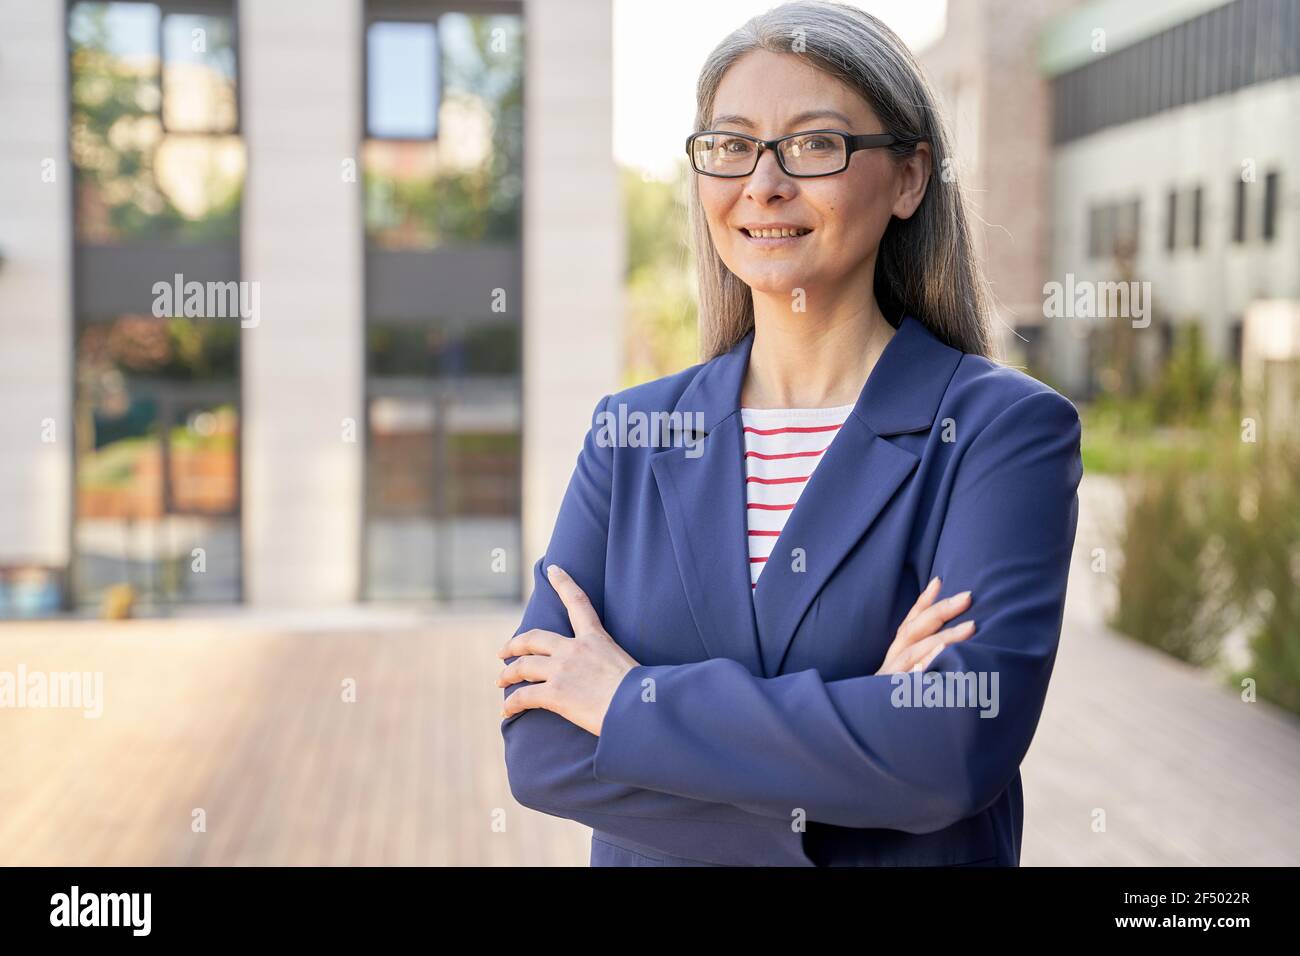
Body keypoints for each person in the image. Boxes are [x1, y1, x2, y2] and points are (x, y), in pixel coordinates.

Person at [497, 0, 1082, 866]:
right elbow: (541, 748)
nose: (763, 185)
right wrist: (857, 737)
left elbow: (951, 750)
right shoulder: (630, 434)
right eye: (731, 146)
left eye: (813, 144)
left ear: (910, 178)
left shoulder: (1004, 434)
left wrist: (629, 705)